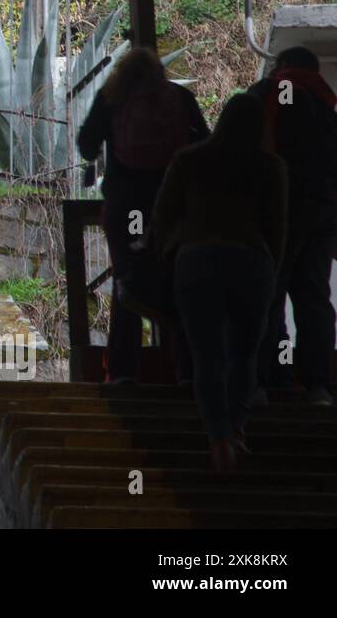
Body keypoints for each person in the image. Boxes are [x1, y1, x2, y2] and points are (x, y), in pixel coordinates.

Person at [151, 93, 287, 470]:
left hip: (197, 260)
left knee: (207, 355)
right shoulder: (270, 167)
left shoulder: (189, 160)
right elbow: (277, 228)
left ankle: (217, 439)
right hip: (251, 261)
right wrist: (271, 271)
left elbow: (162, 217)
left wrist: (168, 256)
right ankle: (237, 428)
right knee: (246, 355)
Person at [78, 47, 210, 381]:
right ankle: (188, 373)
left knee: (128, 282)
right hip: (172, 205)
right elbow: (205, 145)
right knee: (178, 281)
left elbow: (85, 144)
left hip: (127, 205)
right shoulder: (180, 97)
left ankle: (123, 372)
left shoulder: (113, 97)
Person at [248, 46, 337, 405]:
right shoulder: (327, 109)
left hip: (277, 210)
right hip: (321, 214)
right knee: (313, 296)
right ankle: (318, 385)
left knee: (268, 294)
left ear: (283, 65)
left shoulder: (271, 92)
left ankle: (268, 379)